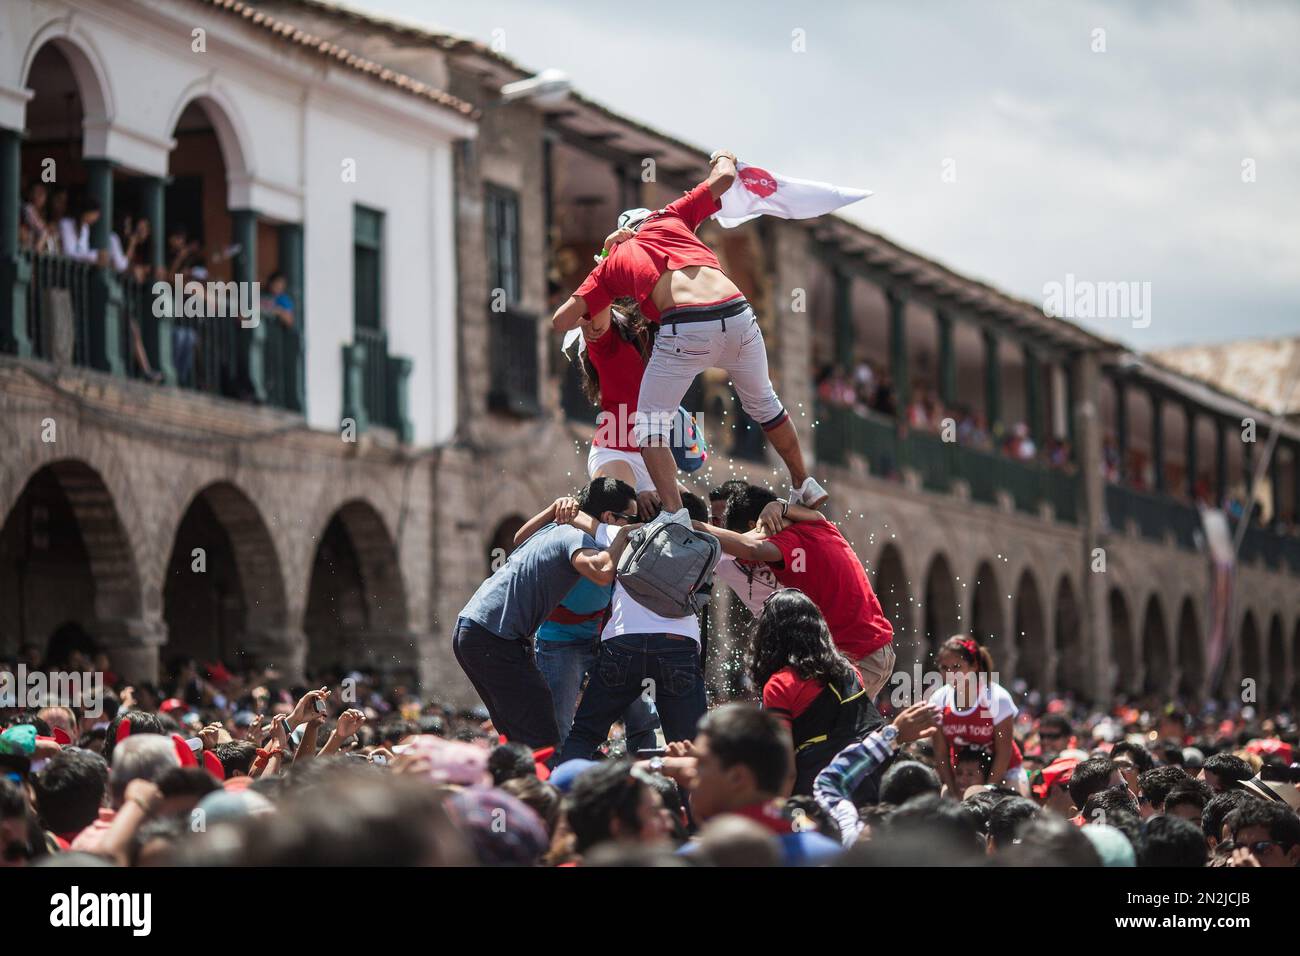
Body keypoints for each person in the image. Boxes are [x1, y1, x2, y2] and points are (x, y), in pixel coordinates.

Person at [551, 150, 825, 517]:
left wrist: (604, 258)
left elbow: (560, 321)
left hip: (690, 325)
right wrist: (724, 156)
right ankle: (803, 482)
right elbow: (724, 180)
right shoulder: (673, 216)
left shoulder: (615, 263)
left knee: (648, 428)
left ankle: (675, 517)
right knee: (765, 404)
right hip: (740, 314)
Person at [453, 478, 635, 749]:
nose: (634, 524)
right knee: (544, 737)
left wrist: (552, 510)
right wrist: (622, 537)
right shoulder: (575, 536)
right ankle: (544, 787)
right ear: (609, 517)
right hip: (494, 637)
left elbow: (518, 539)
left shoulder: (553, 528)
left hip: (474, 631)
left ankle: (519, 783)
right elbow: (600, 571)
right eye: (629, 519)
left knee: (520, 734)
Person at [698, 483, 896, 698]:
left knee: (817, 726)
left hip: (857, 655)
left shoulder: (789, 540)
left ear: (756, 526)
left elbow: (751, 548)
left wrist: (694, 526)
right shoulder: (820, 525)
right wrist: (781, 507)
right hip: (867, 652)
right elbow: (815, 515)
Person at [556, 491, 711, 762]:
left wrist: (563, 504)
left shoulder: (633, 533)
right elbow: (753, 545)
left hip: (623, 643)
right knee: (690, 746)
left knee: (584, 734)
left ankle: (565, 793)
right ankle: (691, 805)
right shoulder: (708, 543)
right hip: (678, 646)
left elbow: (586, 522)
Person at [748, 589, 883, 796]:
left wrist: (778, 813)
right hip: (862, 786)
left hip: (814, 795)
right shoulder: (851, 673)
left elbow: (783, 766)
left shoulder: (780, 685)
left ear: (770, 634)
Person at [682, 703, 842, 866]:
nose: (688, 773)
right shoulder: (831, 854)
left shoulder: (692, 859)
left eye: (700, 764)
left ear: (737, 777)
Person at [928, 636, 1027, 795]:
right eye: (944, 668)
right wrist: (954, 792)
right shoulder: (938, 700)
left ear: (974, 666)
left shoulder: (997, 698)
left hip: (1004, 772)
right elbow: (941, 753)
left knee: (1012, 809)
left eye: (956, 667)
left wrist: (986, 791)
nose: (950, 674)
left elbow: (1004, 752)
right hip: (963, 776)